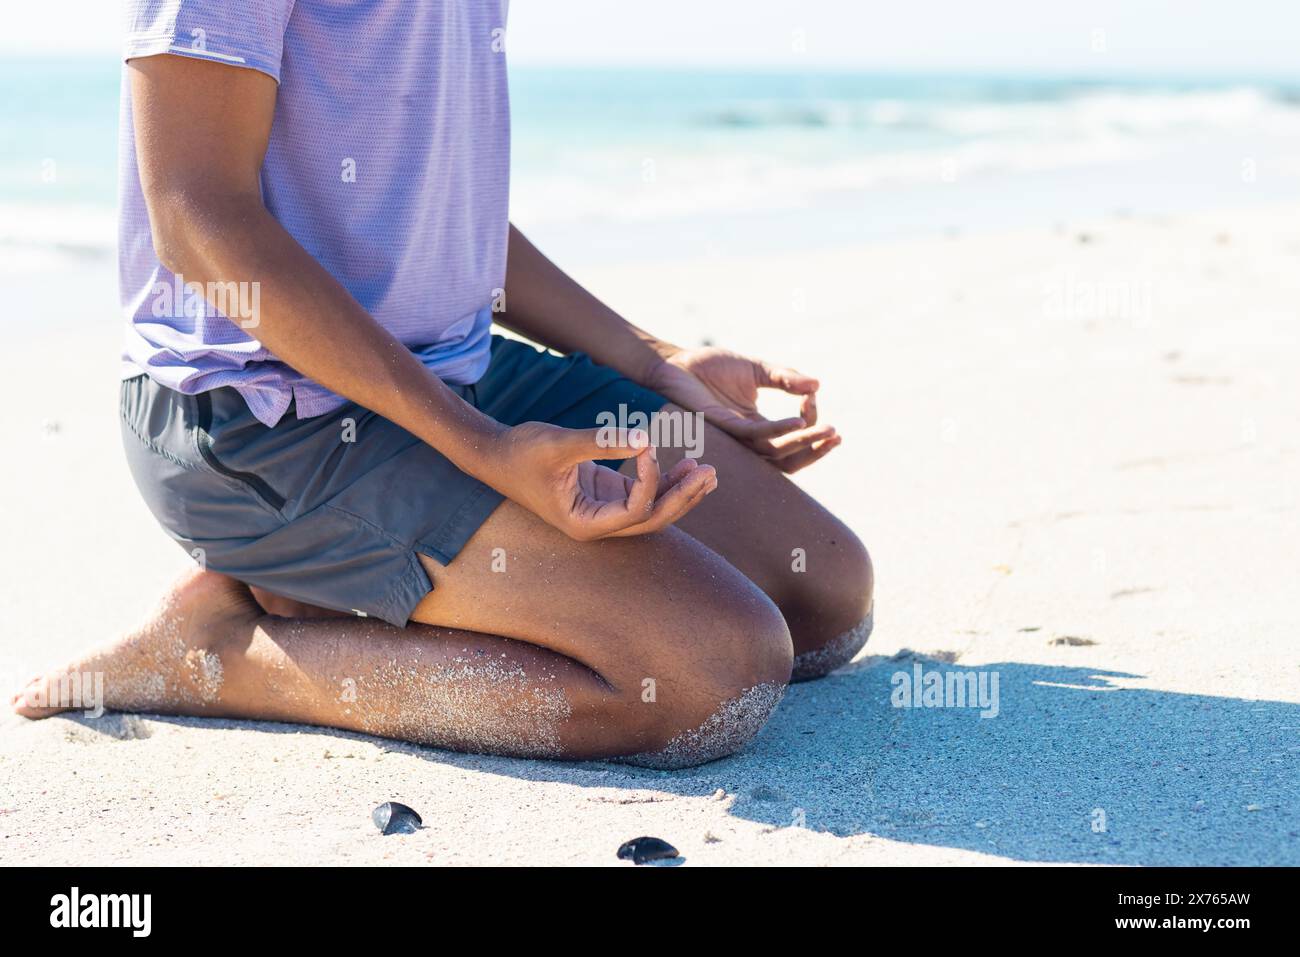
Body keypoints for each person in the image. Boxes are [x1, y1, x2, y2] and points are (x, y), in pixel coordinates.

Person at [12, 1, 873, 768]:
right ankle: (226, 649)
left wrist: (652, 360)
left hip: (456, 368)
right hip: (259, 415)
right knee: (711, 676)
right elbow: (195, 219)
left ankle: (343, 582)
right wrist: (484, 450)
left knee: (827, 597)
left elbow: (427, 204)